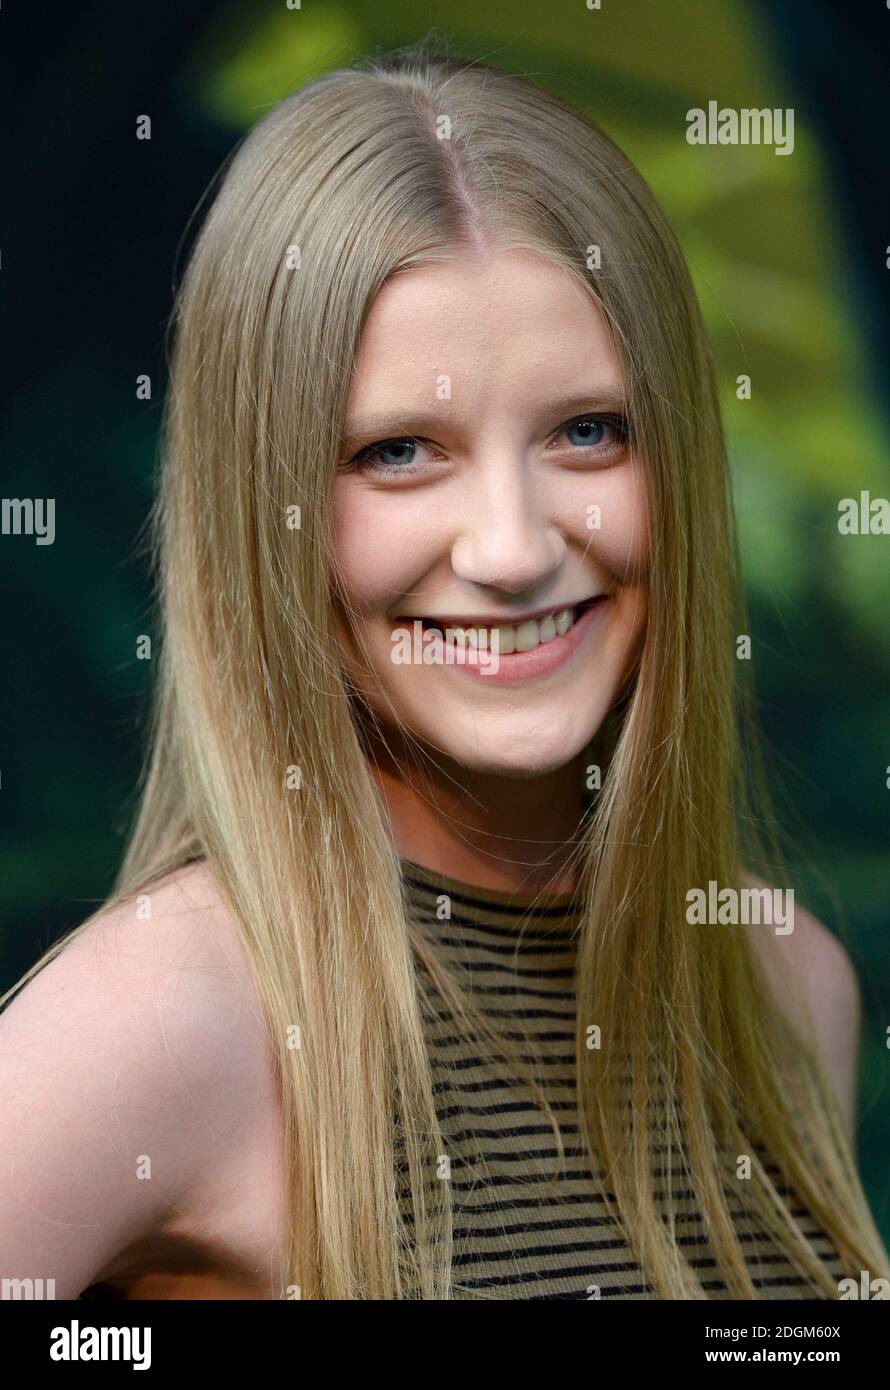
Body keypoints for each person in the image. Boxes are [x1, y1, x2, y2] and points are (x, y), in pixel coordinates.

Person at [2, 42, 887, 1301]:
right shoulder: (164, 1024)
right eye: (400, 450)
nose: (514, 548)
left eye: (588, 431)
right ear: (267, 510)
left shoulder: (785, 986)